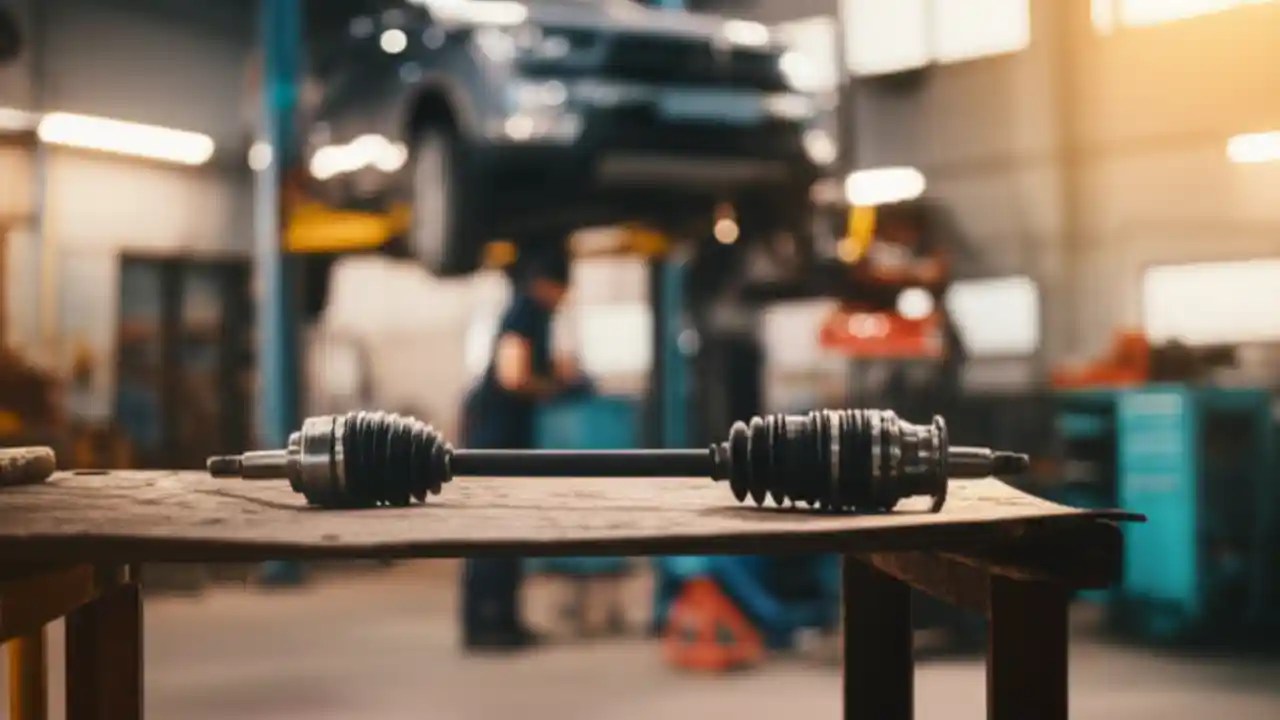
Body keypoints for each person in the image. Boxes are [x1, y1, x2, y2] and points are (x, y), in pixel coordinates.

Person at [460, 238, 574, 650]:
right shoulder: (526, 311)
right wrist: (554, 386)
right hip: (494, 435)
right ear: (552, 283)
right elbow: (513, 375)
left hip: (505, 433)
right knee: (494, 529)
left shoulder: (534, 313)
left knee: (508, 530)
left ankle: (503, 619)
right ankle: (486, 624)